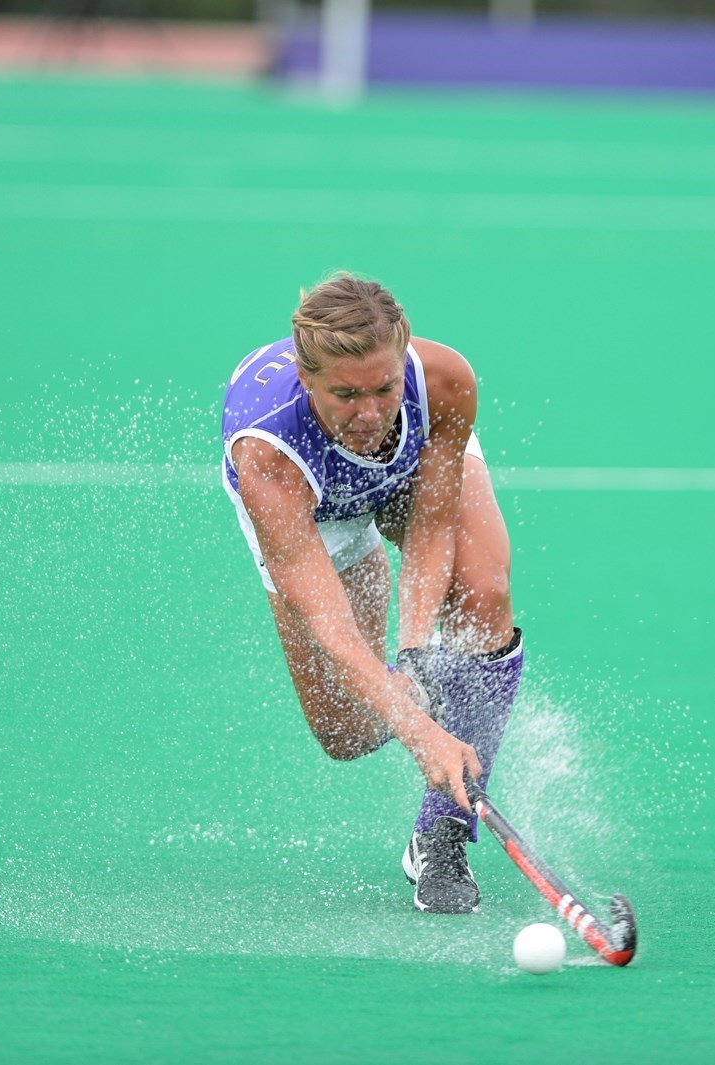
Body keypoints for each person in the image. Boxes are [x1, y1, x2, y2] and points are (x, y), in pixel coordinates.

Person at [221, 274, 524, 914]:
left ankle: (441, 836)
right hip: (317, 514)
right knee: (347, 731)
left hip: (407, 473)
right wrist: (416, 727)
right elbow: (330, 626)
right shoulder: (266, 455)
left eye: (384, 388)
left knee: (483, 594)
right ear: (308, 383)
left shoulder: (441, 382)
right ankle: (422, 700)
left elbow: (432, 520)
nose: (368, 413)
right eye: (345, 395)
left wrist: (415, 650)